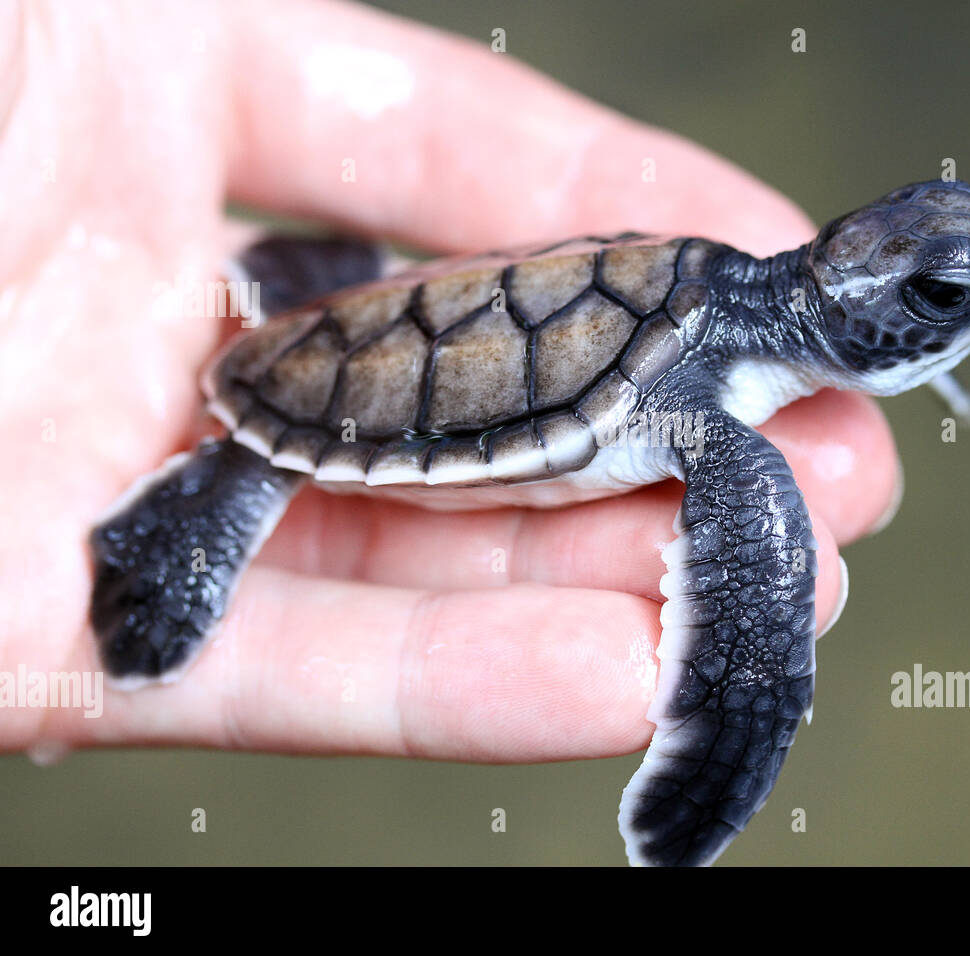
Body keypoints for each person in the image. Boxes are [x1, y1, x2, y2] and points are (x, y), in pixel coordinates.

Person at [0, 0, 900, 764]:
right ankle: (225, 478)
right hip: (352, 391)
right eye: (943, 299)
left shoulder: (714, 270)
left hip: (381, 316)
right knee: (769, 562)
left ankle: (314, 304)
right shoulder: (724, 424)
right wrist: (730, 740)